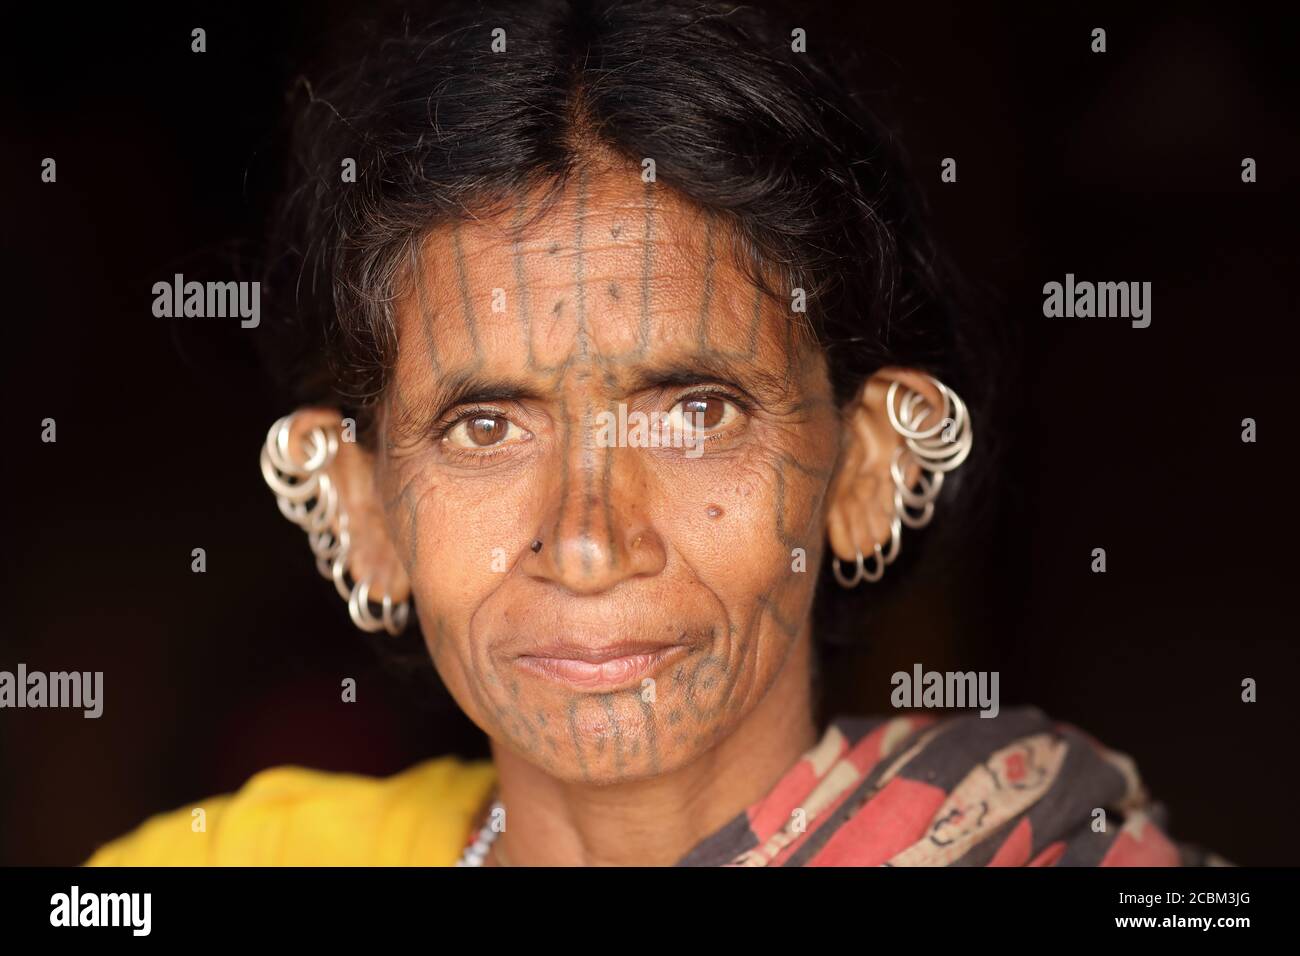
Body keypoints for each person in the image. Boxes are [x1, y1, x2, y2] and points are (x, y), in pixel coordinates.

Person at [84, 0, 1215, 867]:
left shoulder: (1036, 845)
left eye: (696, 412)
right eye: (485, 425)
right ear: (364, 513)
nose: (587, 538)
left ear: (867, 466)